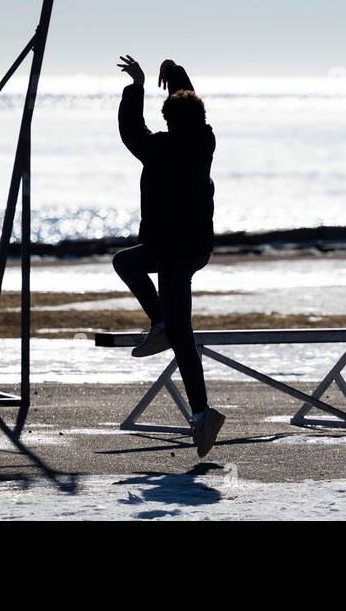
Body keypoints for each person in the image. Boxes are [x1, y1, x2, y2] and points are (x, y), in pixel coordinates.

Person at [113, 54, 225, 456]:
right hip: (194, 247)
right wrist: (174, 71)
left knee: (182, 335)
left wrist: (137, 86)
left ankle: (202, 413)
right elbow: (194, 106)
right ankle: (159, 321)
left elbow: (130, 130)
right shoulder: (204, 142)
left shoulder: (158, 149)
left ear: (169, 121)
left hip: (171, 251)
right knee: (127, 262)